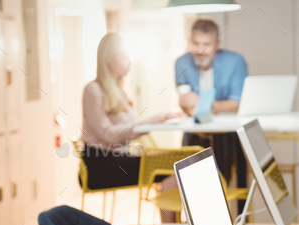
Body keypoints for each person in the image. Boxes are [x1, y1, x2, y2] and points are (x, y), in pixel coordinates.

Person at [81, 32, 180, 190]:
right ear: (109, 59)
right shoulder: (92, 90)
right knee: (172, 164)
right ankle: (172, 213)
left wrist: (151, 122)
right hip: (100, 166)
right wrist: (150, 121)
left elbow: (124, 132)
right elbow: (110, 135)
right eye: (125, 58)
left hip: (121, 158)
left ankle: (172, 212)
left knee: (175, 164)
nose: (130, 63)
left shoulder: (120, 91)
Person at [174, 18, 248, 184]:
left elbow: (237, 104)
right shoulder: (182, 63)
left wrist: (203, 103)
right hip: (195, 135)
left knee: (225, 181)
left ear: (217, 44)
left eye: (206, 44)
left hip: (228, 134)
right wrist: (213, 106)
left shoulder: (235, 62)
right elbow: (188, 106)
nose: (200, 50)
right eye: (195, 43)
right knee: (191, 184)